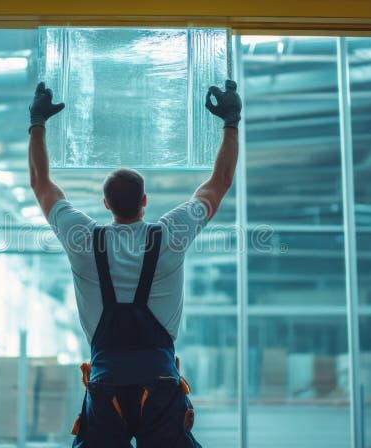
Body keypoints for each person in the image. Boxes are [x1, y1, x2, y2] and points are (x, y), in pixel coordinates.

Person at [27, 80, 241, 447]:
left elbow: (40, 183)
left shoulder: (82, 238)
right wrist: (231, 120)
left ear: (106, 204)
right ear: (145, 201)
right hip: (159, 386)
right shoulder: (171, 234)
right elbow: (218, 183)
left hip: (106, 385)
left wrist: (37, 121)